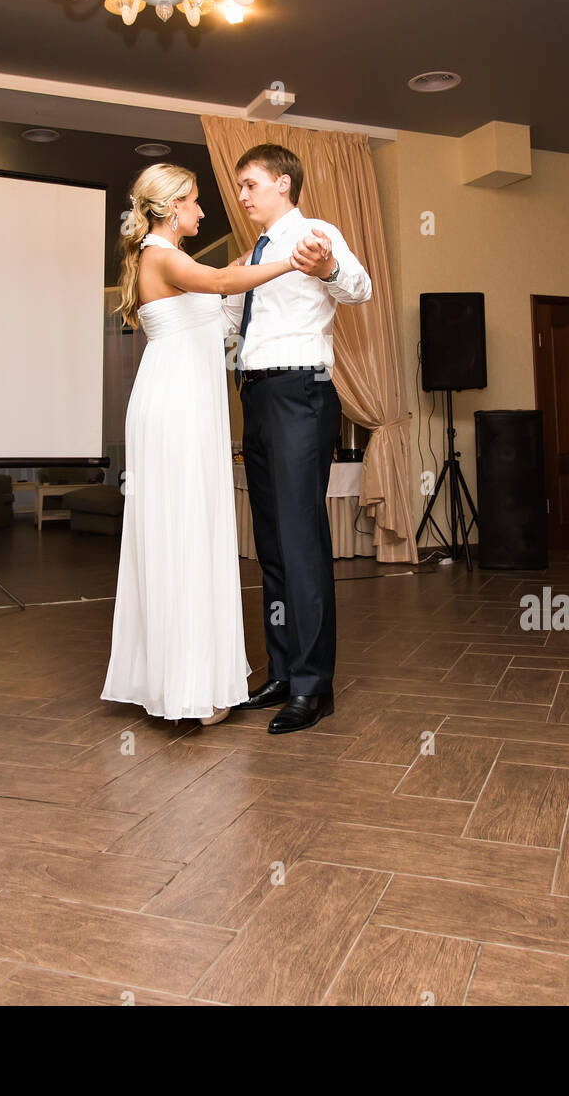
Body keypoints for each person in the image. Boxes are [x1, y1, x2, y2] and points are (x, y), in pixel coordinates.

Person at [100, 162, 317, 726]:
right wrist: (288, 261)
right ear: (173, 208)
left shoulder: (172, 260)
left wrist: (260, 252)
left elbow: (217, 292)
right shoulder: (159, 254)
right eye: (195, 202)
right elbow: (221, 285)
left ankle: (190, 679)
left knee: (188, 530)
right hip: (174, 408)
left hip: (186, 404)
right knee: (182, 531)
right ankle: (187, 688)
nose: (202, 210)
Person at [222, 144, 372, 734]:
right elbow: (232, 325)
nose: (242, 195)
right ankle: (283, 672)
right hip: (256, 398)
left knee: (302, 541)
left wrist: (327, 266)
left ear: (283, 183)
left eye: (250, 183)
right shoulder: (252, 255)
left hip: (300, 397)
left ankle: (314, 687)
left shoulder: (314, 233)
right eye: (240, 186)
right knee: (273, 544)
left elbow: (358, 289)